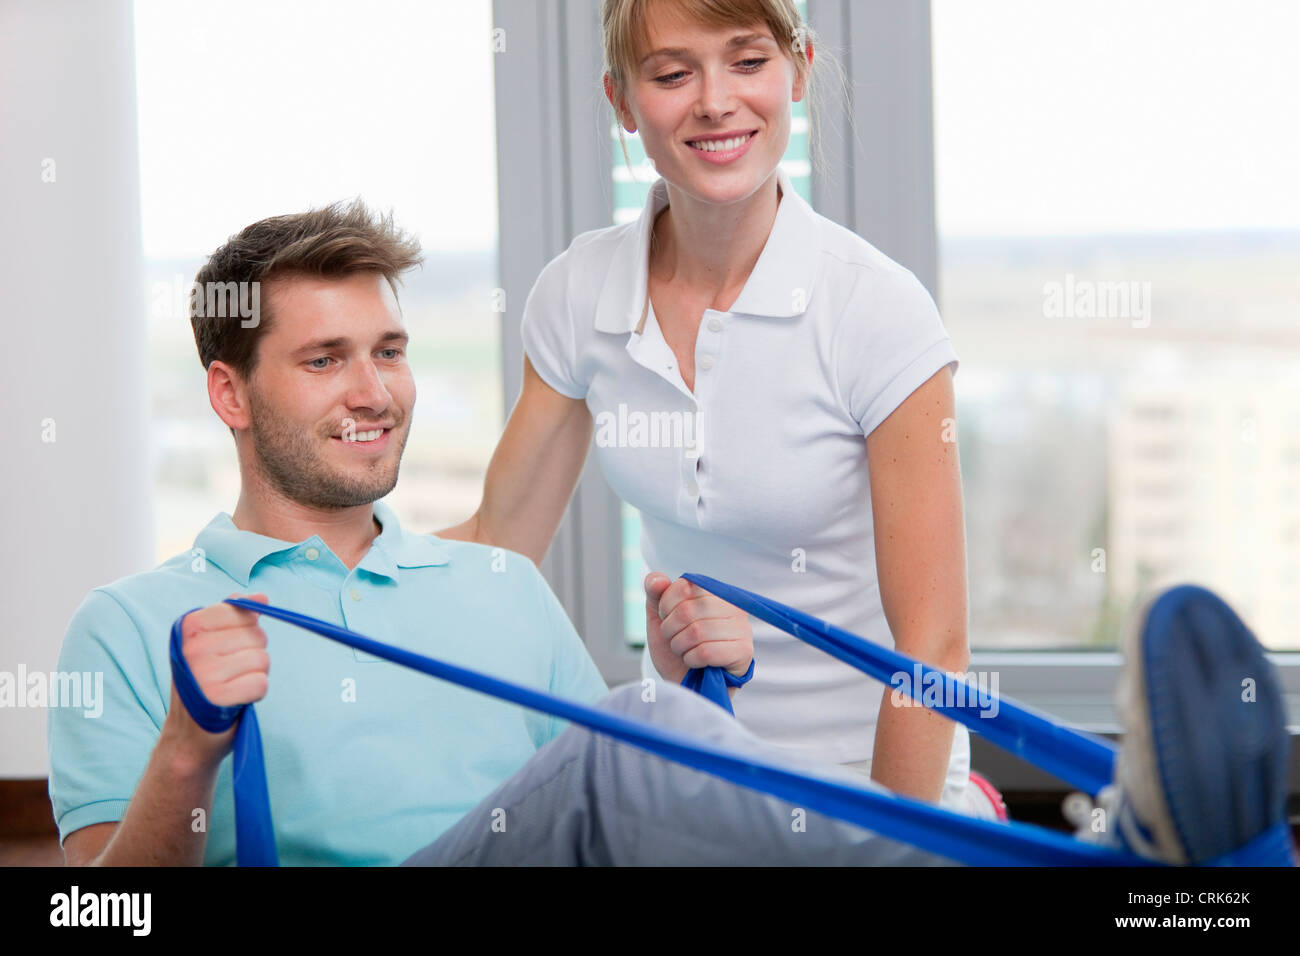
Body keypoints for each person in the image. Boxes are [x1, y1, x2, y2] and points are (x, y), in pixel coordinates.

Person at [48, 202, 1292, 867]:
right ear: (228, 392)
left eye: (389, 351)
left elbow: (600, 815)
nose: (373, 390)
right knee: (640, 727)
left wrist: (712, 697)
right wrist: (186, 751)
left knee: (665, 725)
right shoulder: (138, 624)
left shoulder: (488, 584)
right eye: (324, 359)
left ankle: (1157, 873)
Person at [437, 0, 993, 814]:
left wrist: (885, 846)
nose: (715, 101)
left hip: (878, 790)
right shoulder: (578, 293)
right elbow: (497, 546)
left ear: (798, 69)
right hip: (695, 772)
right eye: (671, 73)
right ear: (621, 101)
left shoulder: (875, 309)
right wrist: (306, 569)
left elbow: (933, 648)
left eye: (747, 60)